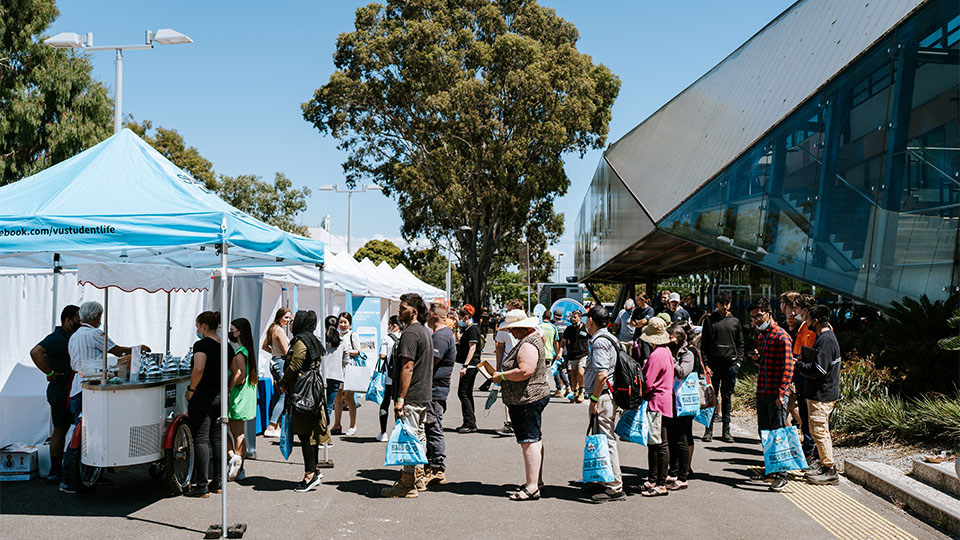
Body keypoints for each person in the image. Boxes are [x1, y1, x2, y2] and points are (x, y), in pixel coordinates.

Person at [64, 301, 148, 493]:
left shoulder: (74, 336)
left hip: (77, 387)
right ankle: (69, 478)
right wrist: (138, 348)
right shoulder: (95, 334)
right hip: (91, 388)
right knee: (85, 434)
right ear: (97, 317)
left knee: (82, 432)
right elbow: (117, 351)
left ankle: (90, 475)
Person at [491, 310, 550, 501]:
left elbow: (525, 370)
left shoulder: (527, 344)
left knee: (529, 441)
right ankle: (535, 481)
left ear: (521, 327)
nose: (511, 333)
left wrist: (502, 376)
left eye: (513, 329)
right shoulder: (532, 339)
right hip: (530, 396)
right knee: (534, 439)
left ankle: (532, 486)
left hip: (527, 398)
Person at [380, 293, 433, 498]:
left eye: (402, 308)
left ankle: (408, 482)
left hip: (412, 395)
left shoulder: (411, 333)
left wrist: (400, 398)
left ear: (414, 311)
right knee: (418, 436)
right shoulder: (424, 331)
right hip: (422, 395)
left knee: (408, 439)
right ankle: (418, 477)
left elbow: (407, 367)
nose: (399, 312)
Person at [279, 310, 331, 492]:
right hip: (312, 390)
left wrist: (283, 381)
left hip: (303, 392)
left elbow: (295, 364)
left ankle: (309, 474)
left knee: (305, 434)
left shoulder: (301, 341)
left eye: (293, 320)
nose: (291, 323)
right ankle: (314, 470)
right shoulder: (312, 339)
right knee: (310, 433)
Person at [747, 297, 795, 492]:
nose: (757, 321)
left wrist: (782, 393)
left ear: (769, 313)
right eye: (753, 318)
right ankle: (770, 469)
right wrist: (758, 359)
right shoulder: (762, 335)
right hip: (763, 391)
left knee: (778, 435)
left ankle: (782, 474)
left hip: (776, 394)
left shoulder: (782, 337)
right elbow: (767, 363)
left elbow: (788, 368)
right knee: (765, 433)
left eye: (759, 316)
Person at [29, 305, 80, 483]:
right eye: (78, 320)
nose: (80, 324)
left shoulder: (72, 337)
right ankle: (55, 470)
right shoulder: (57, 338)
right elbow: (35, 352)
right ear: (68, 320)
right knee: (60, 429)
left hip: (70, 391)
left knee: (68, 429)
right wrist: (49, 373)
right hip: (60, 392)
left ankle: (63, 469)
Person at [184, 311, 232, 497]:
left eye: (197, 326)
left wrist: (191, 389)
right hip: (221, 395)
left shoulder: (201, 345)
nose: (197, 330)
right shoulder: (227, 345)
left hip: (203, 396)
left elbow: (199, 368)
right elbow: (236, 369)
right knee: (217, 438)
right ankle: (218, 481)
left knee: (201, 439)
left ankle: (201, 484)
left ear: (203, 326)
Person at [582, 306, 626, 502]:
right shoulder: (610, 337)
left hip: (603, 396)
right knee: (602, 439)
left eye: (586, 319)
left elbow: (601, 373)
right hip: (608, 394)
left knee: (606, 440)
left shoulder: (600, 341)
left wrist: (593, 399)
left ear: (591, 320)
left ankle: (614, 486)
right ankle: (603, 478)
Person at [794, 305, 841, 485]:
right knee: (820, 430)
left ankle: (830, 470)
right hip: (821, 393)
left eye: (807, 320)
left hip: (822, 393)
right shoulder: (825, 338)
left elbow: (820, 369)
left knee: (819, 431)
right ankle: (825, 466)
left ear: (815, 321)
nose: (805, 323)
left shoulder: (825, 340)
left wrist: (798, 365)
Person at [700, 292, 744, 443]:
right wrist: (705, 364)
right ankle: (708, 430)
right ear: (716, 304)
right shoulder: (709, 321)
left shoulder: (735, 322)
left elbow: (740, 344)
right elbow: (704, 344)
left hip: (730, 365)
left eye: (727, 303)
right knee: (711, 398)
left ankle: (726, 430)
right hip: (713, 366)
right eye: (721, 304)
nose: (724, 307)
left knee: (727, 398)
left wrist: (738, 363)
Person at [638, 317, 673, 497]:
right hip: (665, 399)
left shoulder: (655, 355)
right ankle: (654, 479)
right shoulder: (666, 351)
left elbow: (648, 382)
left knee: (659, 443)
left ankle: (660, 483)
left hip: (656, 401)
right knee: (657, 442)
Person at [424, 303, 456, 485]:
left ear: (433, 315)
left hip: (435, 391)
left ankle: (437, 468)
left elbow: (430, 364)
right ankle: (433, 465)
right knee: (432, 428)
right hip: (436, 390)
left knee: (433, 427)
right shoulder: (442, 334)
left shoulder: (441, 336)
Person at [785, 293, 817, 460]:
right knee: (804, 412)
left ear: (804, 310)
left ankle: (813, 451)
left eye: (795, 308)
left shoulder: (815, 329)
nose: (793, 312)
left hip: (809, 374)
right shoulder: (802, 326)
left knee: (811, 414)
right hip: (801, 372)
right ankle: (808, 447)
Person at [664, 323, 695, 491]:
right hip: (671, 400)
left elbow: (683, 371)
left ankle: (683, 477)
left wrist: (670, 361)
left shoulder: (688, 353)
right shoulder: (672, 352)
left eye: (671, 338)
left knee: (682, 438)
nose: (669, 340)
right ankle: (673, 472)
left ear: (679, 338)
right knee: (672, 438)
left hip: (684, 402)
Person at [227, 318, 256, 482]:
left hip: (238, 396)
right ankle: (239, 466)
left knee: (234, 432)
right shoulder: (247, 350)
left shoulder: (240, 353)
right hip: (246, 396)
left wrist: (229, 387)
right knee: (240, 433)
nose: (231, 332)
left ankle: (235, 460)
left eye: (233, 329)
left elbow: (240, 376)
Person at [494, 298, 525, 435]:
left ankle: (521, 421)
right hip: (508, 362)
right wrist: (498, 365)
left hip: (524, 361)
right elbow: (499, 346)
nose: (508, 313)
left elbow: (541, 339)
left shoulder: (529, 325)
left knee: (524, 392)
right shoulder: (503, 325)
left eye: (510, 310)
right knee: (508, 393)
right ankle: (509, 422)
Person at [262, 308, 292, 438]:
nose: (288, 320)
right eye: (286, 317)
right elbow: (286, 351)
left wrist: (274, 354)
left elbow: (264, 346)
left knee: (278, 394)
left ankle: (275, 425)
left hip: (275, 362)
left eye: (289, 318)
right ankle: (272, 425)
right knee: (283, 395)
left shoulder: (272, 328)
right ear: (279, 317)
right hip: (280, 363)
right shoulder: (278, 330)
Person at [331, 312, 361, 436]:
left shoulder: (353, 335)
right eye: (341, 322)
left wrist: (345, 351)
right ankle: (337, 424)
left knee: (349, 398)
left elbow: (358, 351)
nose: (343, 325)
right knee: (337, 398)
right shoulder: (335, 335)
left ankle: (352, 425)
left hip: (349, 369)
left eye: (345, 322)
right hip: (338, 369)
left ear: (350, 323)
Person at [454, 305, 482, 434]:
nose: (459, 319)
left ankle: (470, 422)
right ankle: (469, 421)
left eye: (460, 317)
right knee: (466, 393)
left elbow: (472, 347)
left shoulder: (473, 329)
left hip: (470, 365)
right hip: (468, 365)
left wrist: (465, 365)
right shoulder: (467, 328)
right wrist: (457, 327)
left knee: (463, 393)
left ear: (466, 316)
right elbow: (459, 340)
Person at [376, 316, 402, 442]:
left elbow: (382, 356)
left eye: (389, 324)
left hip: (388, 378)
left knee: (384, 403)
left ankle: (383, 432)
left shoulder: (387, 338)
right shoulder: (404, 337)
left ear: (394, 325)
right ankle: (398, 432)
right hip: (401, 378)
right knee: (399, 404)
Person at [560, 310, 589, 403]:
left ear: (580, 318)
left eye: (575, 317)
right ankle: (575, 392)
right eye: (572, 317)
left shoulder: (586, 328)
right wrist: (560, 352)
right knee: (573, 375)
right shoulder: (569, 329)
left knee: (581, 372)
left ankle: (581, 391)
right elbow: (563, 342)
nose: (573, 319)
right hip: (572, 355)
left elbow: (591, 339)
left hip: (583, 354)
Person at [539, 311, 565, 397]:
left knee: (538, 372)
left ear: (543, 316)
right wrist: (558, 353)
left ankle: (539, 390)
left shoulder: (538, 326)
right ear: (550, 318)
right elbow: (556, 342)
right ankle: (544, 391)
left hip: (538, 353)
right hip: (549, 354)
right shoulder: (553, 327)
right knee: (545, 372)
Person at [322, 315, 343, 422]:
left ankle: (318, 429)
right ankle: (325, 430)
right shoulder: (342, 342)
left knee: (320, 406)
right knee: (329, 406)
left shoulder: (320, 341)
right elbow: (346, 360)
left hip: (321, 376)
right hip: (336, 376)